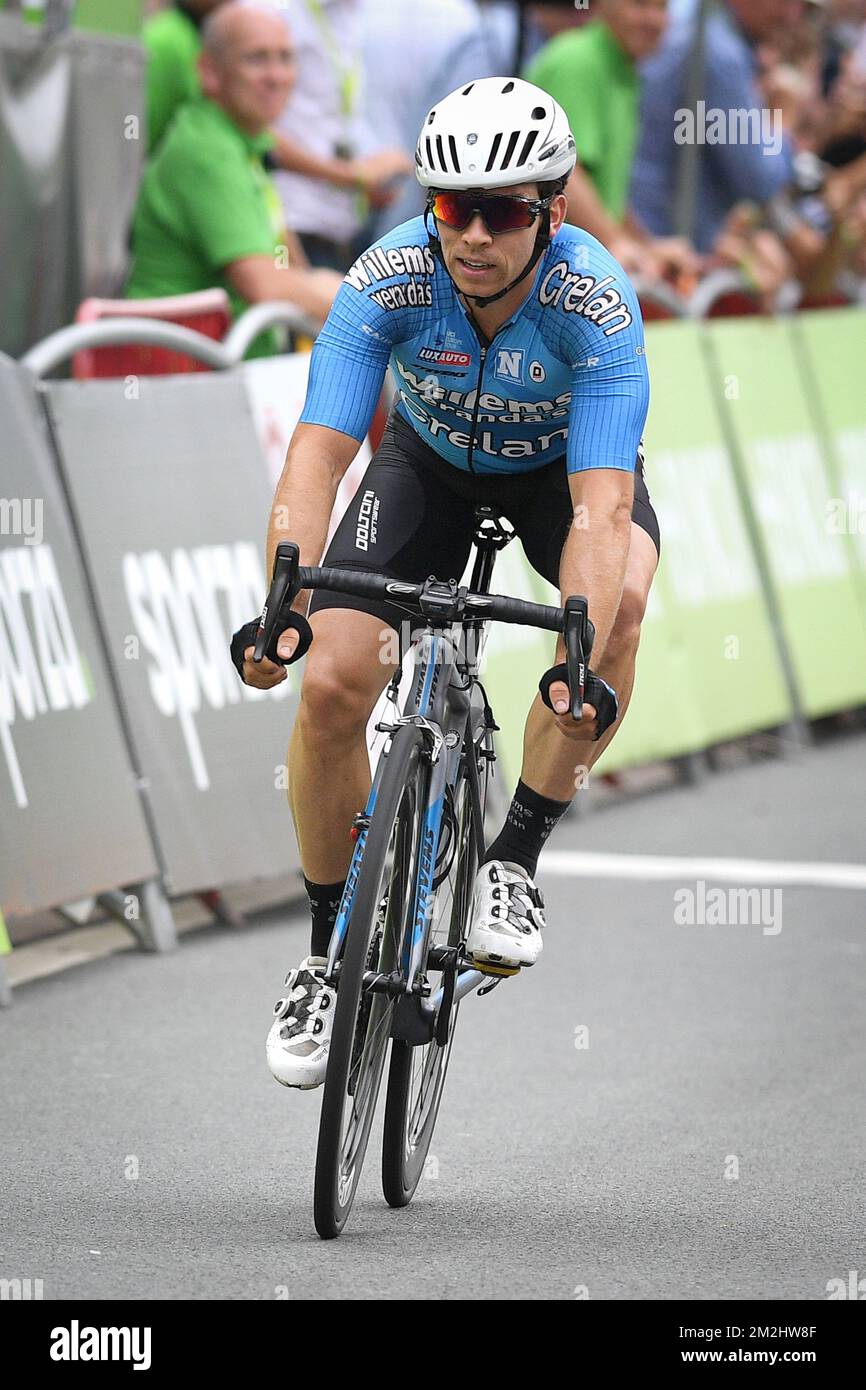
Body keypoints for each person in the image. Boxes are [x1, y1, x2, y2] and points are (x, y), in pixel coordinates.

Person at [231, 78, 658, 1089]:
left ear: (550, 211)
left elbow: (601, 509)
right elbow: (316, 456)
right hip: (423, 471)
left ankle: (511, 859)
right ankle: (327, 950)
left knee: (619, 607)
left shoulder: (591, 304)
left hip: (562, 478)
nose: (472, 233)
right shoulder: (385, 280)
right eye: (451, 207)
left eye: (501, 211)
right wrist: (283, 600)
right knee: (332, 685)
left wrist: (582, 646)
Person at [126, 5, 342, 352]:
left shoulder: (245, 140)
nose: (277, 75)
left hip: (223, 373)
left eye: (285, 58)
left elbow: (286, 258)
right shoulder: (208, 149)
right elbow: (264, 284)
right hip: (180, 375)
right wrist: (362, 303)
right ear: (209, 71)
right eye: (257, 59)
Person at [526, 0, 701, 284]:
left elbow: (605, 196)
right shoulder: (578, 60)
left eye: (662, 8)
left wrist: (646, 248)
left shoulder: (623, 70)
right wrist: (617, 245)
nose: (653, 20)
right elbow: (562, 173)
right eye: (640, 4)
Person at [245, 0, 413, 270]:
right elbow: (250, 128)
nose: (277, 73)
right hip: (287, 225)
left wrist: (365, 180)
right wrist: (352, 175)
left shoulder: (353, 12)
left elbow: (328, 120)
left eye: (285, 58)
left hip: (340, 229)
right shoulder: (269, 10)